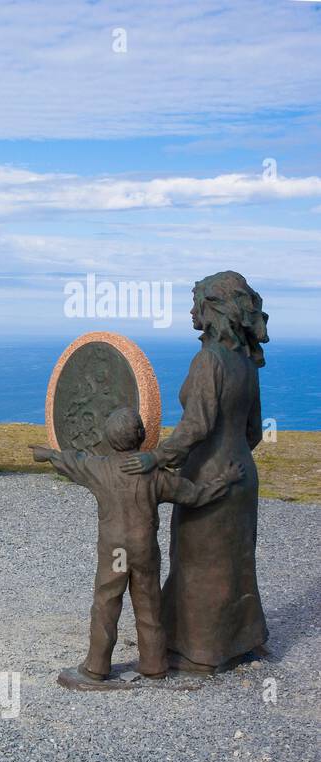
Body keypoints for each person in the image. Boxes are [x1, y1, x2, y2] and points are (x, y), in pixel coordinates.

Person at [120, 271, 269, 672]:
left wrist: (157, 457)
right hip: (242, 473)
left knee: (198, 563)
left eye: (197, 302)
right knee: (236, 562)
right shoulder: (246, 362)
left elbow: (196, 426)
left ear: (215, 308)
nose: (191, 310)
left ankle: (200, 652)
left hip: (206, 473)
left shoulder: (209, 360)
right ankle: (241, 641)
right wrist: (233, 456)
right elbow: (253, 430)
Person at [32, 407, 242, 680]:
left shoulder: (99, 468)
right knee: (149, 605)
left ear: (108, 438)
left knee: (106, 604)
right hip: (143, 549)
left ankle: (96, 667)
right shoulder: (154, 474)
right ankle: (154, 665)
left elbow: (75, 461)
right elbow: (194, 495)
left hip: (115, 551)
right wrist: (224, 481)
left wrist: (49, 455)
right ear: (141, 436)